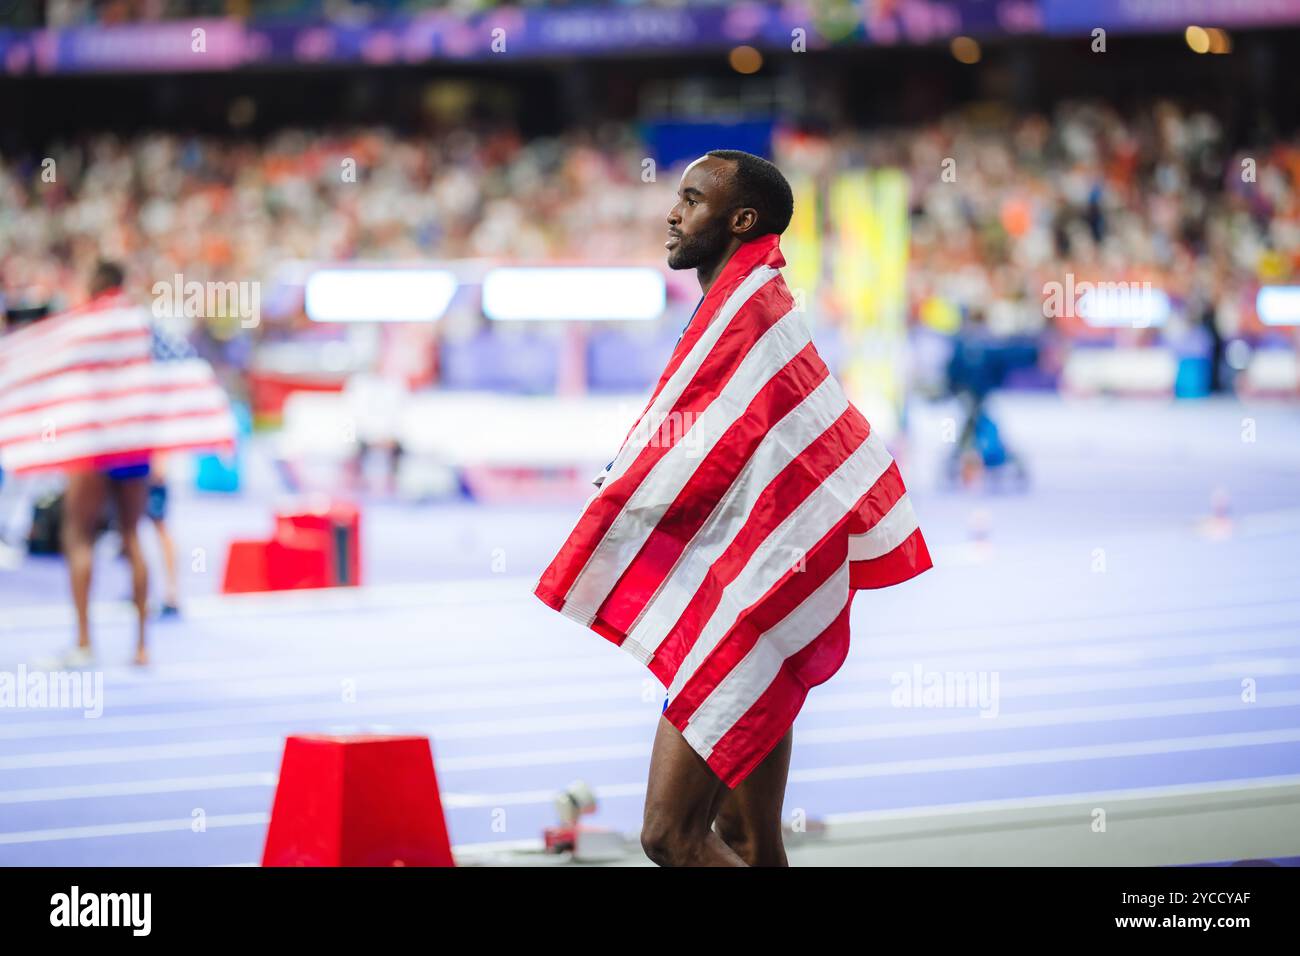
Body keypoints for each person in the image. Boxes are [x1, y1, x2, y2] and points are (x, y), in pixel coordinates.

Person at [533, 150, 933, 866]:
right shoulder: (744, 305)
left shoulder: (750, 312)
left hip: (756, 594)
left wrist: (625, 493)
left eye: (691, 199)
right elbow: (730, 452)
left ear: (741, 220)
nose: (672, 212)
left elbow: (729, 451)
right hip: (760, 588)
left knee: (671, 836)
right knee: (748, 840)